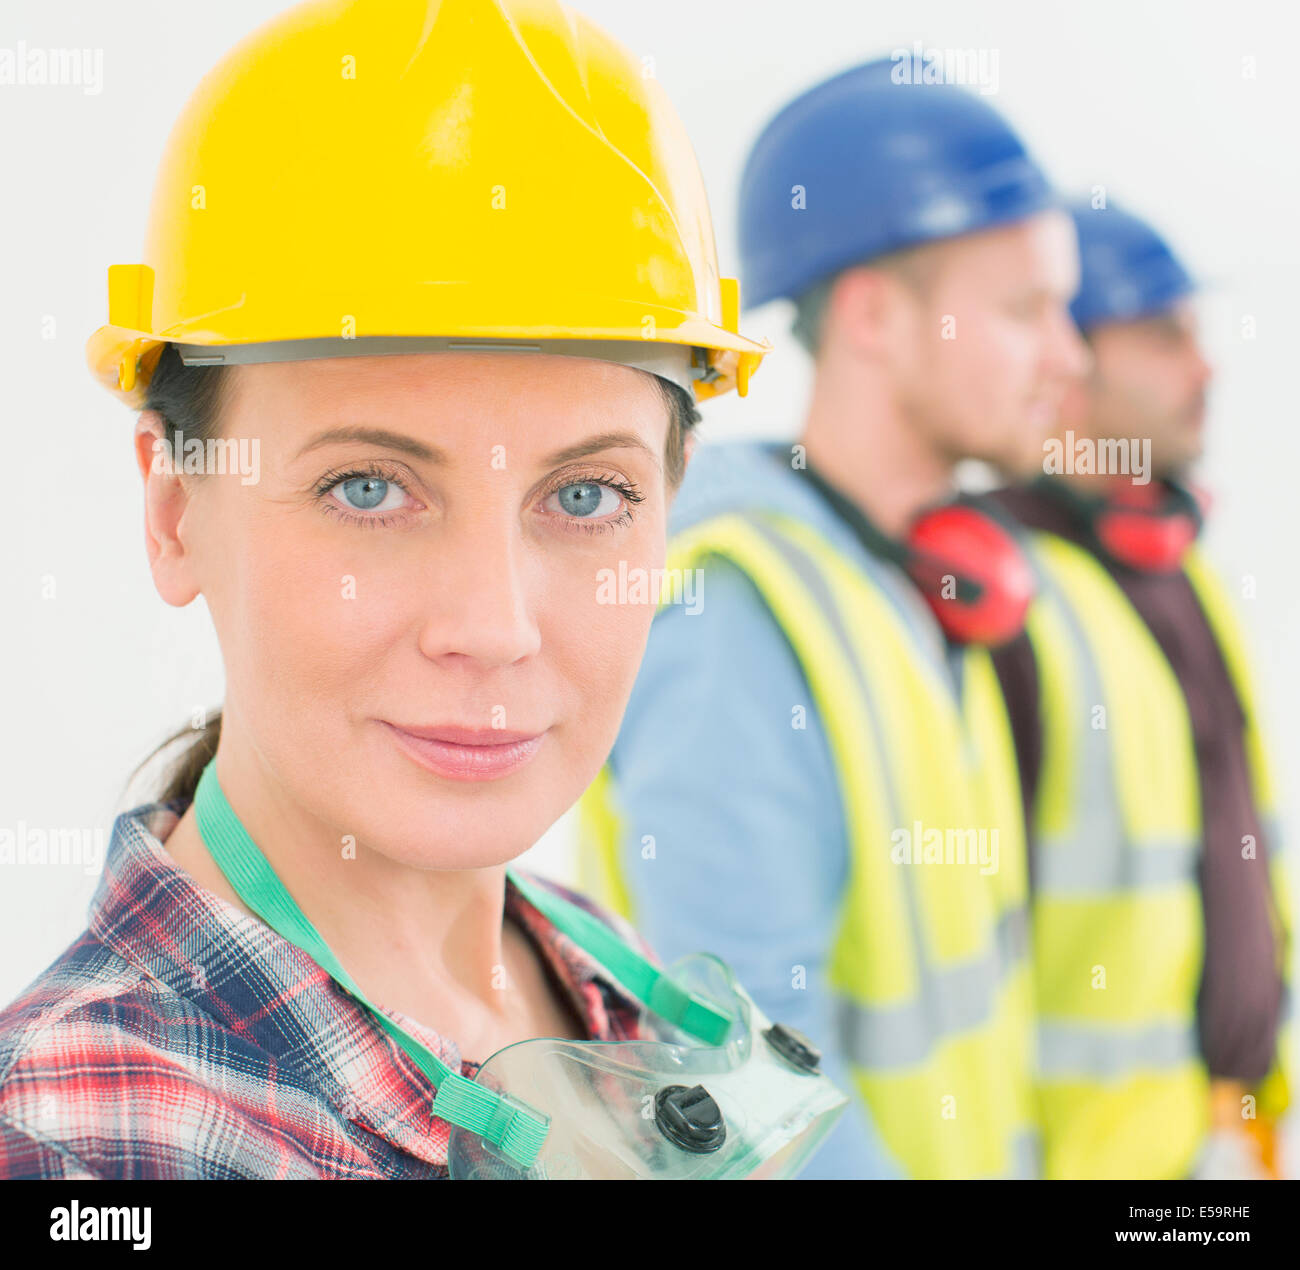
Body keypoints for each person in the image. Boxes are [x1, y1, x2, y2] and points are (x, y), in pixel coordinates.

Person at [0, 0, 852, 1182]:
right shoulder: (79, 1153)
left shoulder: (596, 971)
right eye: (366, 487)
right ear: (173, 507)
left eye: (587, 496)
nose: (493, 628)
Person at [578, 58, 1088, 1178]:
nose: (1070, 355)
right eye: (1023, 311)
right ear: (872, 315)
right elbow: (747, 1089)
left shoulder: (904, 585)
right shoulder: (736, 613)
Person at [988, 200, 1292, 1179]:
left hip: (1217, 1137)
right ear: (1063, 356)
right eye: (1164, 335)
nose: (1203, 369)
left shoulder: (1174, 563)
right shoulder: (996, 599)